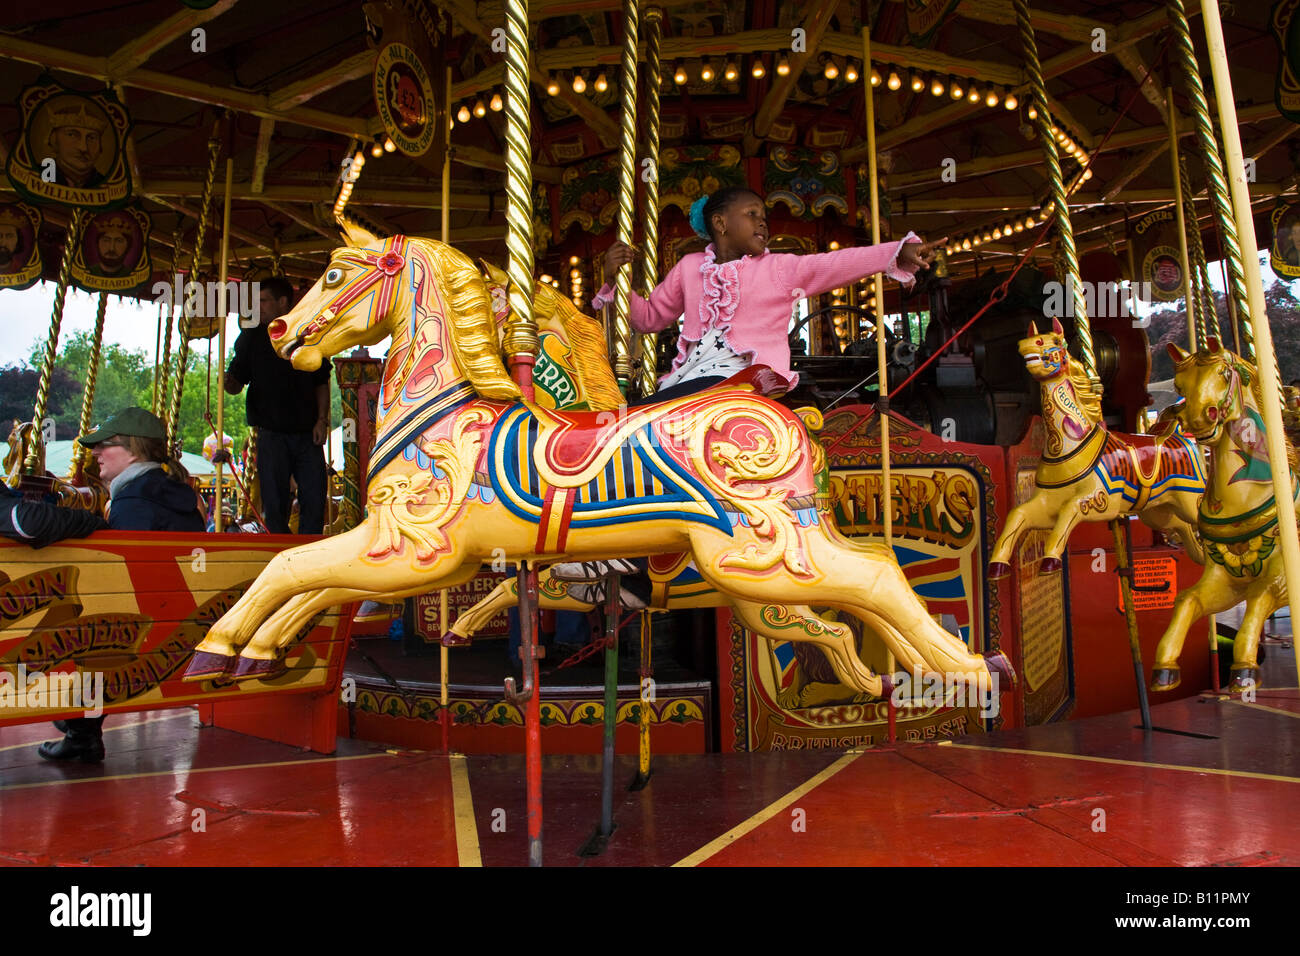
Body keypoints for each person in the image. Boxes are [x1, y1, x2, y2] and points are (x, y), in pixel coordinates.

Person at [554, 185, 941, 598]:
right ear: (720, 224)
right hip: (695, 378)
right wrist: (613, 280)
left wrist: (893, 254)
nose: (762, 222)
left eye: (764, 215)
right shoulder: (689, 268)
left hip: (746, 378)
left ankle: (609, 544)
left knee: (636, 425)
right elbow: (648, 318)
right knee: (627, 431)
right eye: (751, 214)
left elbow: (834, 263)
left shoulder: (779, 268)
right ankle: (624, 547)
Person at [37, 406, 204, 762]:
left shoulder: (134, 500)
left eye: (105, 445)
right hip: (179, 621)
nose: (95, 453)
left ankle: (78, 726)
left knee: (71, 619)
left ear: (133, 450)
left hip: (146, 628)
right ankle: (78, 727)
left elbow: (121, 577)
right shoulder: (173, 493)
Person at [224, 276, 331, 534]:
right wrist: (224, 380)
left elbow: (321, 381)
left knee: (314, 498)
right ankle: (278, 552)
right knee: (274, 503)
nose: (258, 307)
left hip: (307, 433)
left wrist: (321, 420)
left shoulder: (307, 334)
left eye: (263, 301)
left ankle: (310, 549)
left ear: (283, 302)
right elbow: (236, 384)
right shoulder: (251, 338)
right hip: (271, 434)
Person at [45, 102, 107, 189]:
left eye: (91, 138)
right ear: (54, 140)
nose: (83, 148)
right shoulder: (38, 174)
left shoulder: (106, 184)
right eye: (72, 135)